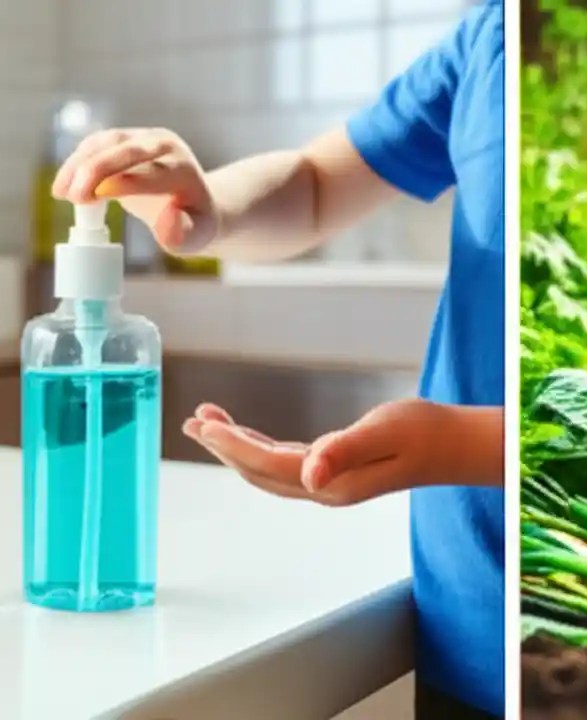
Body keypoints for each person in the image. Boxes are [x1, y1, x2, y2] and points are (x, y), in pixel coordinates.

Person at [50, 2, 507, 717]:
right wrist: (211, 205)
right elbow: (316, 182)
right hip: (465, 631)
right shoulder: (491, 37)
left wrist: (458, 446)